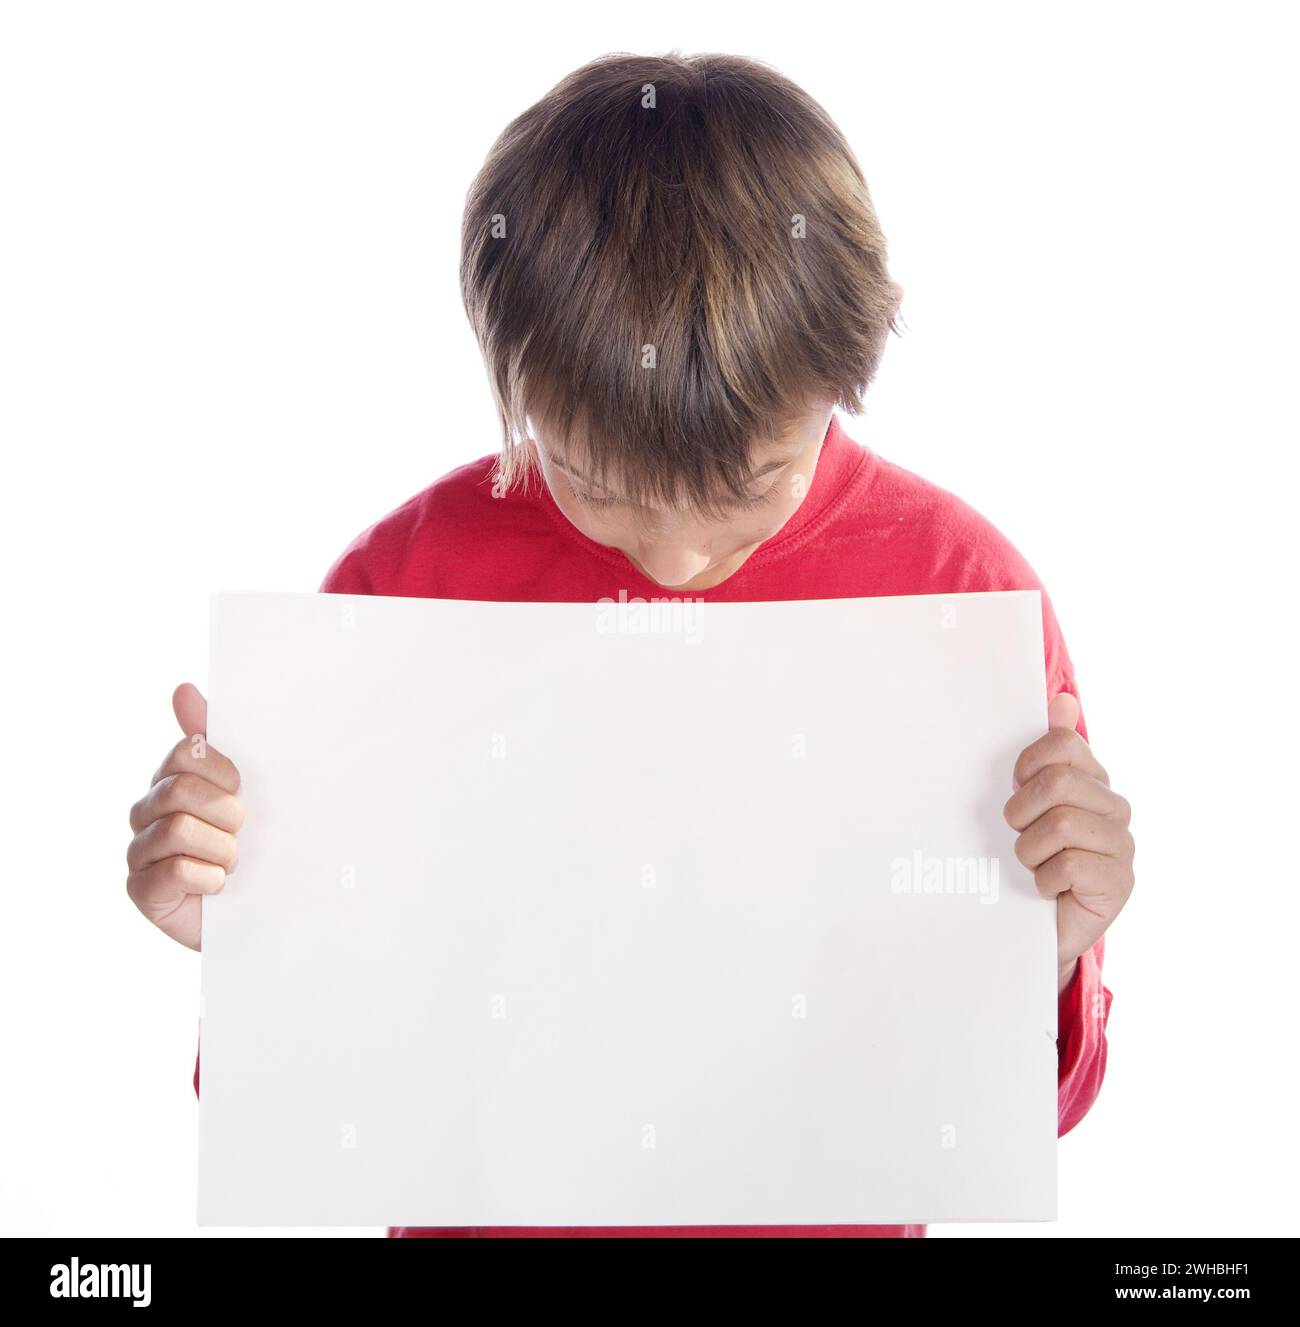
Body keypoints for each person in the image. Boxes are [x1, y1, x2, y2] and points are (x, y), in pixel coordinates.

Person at [126, 51, 1135, 1238]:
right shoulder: (398, 598)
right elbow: (312, 1114)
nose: (671, 563)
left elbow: (1036, 1112)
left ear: (847, 378)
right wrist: (242, 934)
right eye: (596, 486)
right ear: (515, 387)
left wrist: (1051, 949)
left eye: (752, 483)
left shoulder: (961, 596)